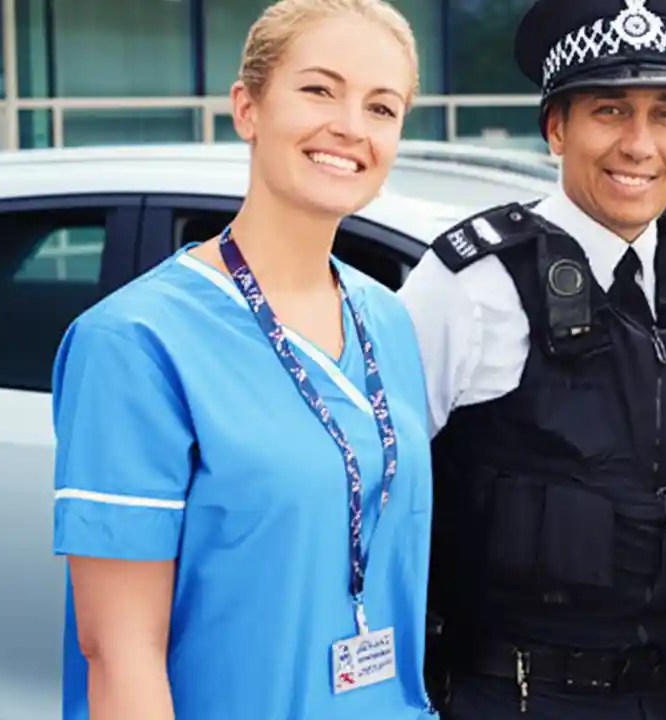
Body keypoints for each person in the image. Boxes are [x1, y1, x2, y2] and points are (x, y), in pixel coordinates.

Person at [50, 1, 433, 718]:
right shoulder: (136, 342)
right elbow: (119, 653)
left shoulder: (386, 319)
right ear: (247, 108)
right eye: (319, 90)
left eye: (382, 107)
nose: (351, 126)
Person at [398, 0, 666, 717]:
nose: (640, 145)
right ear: (556, 128)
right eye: (609, 111)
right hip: (515, 698)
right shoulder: (470, 286)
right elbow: (378, 503)